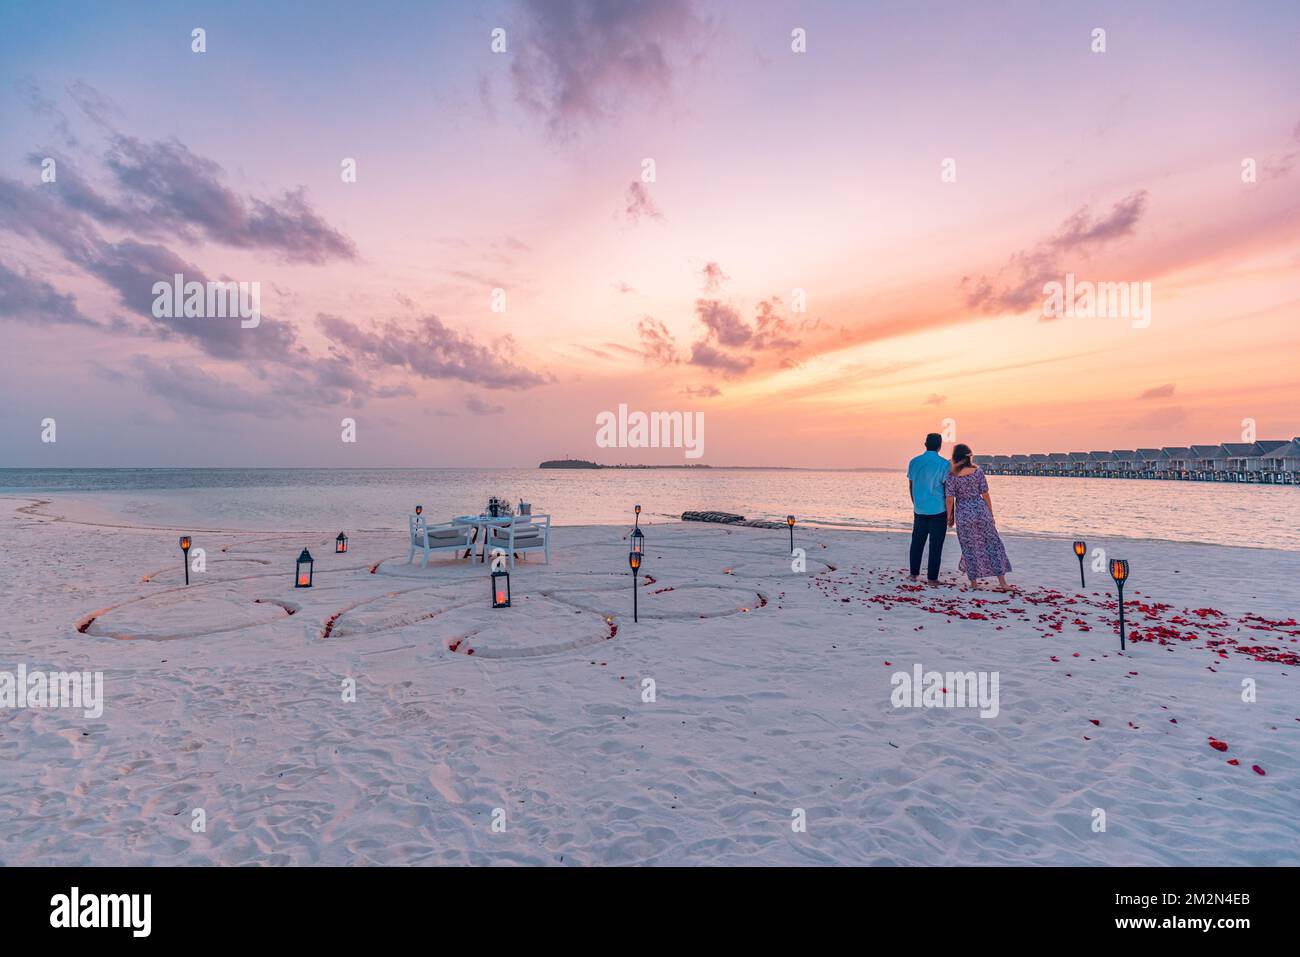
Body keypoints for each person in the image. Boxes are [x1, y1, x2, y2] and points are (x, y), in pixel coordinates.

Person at [944, 443, 1012, 589]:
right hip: (981, 512)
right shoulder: (978, 471)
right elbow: (985, 494)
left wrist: (948, 517)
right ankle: (1002, 582)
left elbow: (950, 499)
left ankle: (974, 583)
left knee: (969, 547)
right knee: (993, 545)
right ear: (969, 456)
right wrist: (991, 514)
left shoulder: (952, 475)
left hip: (964, 514)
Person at [906, 433, 949, 582]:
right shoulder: (944, 464)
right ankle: (932, 579)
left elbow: (911, 486)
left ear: (925, 444)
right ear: (940, 446)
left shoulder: (914, 462)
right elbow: (947, 490)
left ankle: (913, 574)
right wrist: (951, 513)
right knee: (935, 546)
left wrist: (916, 503)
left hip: (920, 508)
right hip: (938, 509)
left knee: (917, 542)